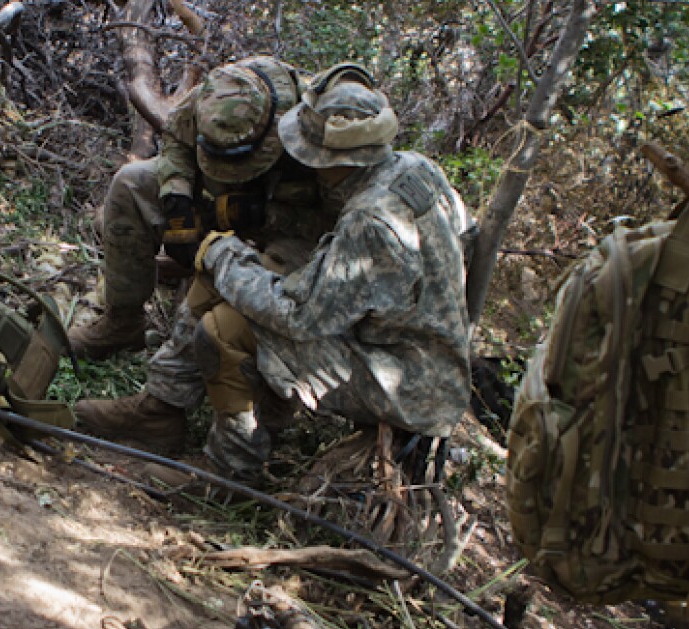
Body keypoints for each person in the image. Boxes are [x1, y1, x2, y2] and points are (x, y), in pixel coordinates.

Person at [183, 65, 475, 481]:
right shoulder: (415, 169)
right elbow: (470, 234)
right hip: (432, 363)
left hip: (409, 388)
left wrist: (223, 255)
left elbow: (298, 317)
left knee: (225, 329)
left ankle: (229, 472)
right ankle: (248, 413)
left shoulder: (369, 221)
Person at [71, 57, 340, 453]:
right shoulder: (221, 91)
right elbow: (178, 139)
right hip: (223, 202)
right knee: (131, 183)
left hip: (291, 232)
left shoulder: (315, 121)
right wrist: (176, 197)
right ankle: (122, 321)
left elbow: (337, 226)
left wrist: (266, 217)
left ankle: (162, 406)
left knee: (226, 274)